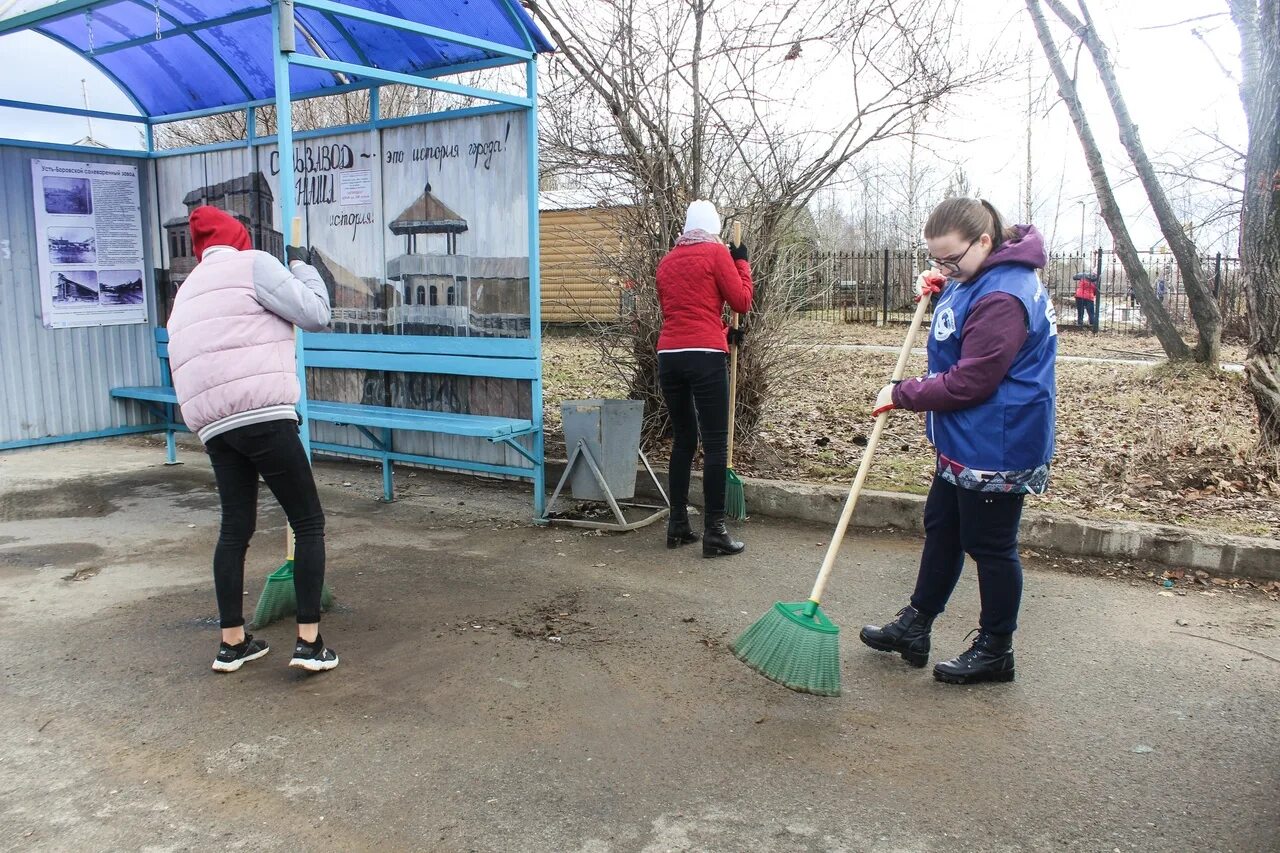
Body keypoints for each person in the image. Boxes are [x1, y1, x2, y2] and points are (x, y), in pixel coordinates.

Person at [861, 198, 1057, 685]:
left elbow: (972, 381)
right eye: (936, 260)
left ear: (985, 242)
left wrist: (902, 393)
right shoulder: (979, 275)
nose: (944, 267)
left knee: (989, 546)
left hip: (999, 440)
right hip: (966, 436)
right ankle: (916, 624)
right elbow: (963, 304)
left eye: (951, 259)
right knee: (943, 527)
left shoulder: (1004, 297)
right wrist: (945, 281)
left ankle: (995, 650)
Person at [167, 205, 339, 674]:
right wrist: (302, 265)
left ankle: (232, 643)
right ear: (239, 238)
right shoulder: (256, 264)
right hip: (262, 413)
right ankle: (308, 642)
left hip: (213, 425)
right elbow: (317, 314)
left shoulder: (186, 291)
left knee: (235, 528)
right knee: (307, 522)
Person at [655, 200, 753, 557]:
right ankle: (715, 532)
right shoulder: (716, 254)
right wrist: (740, 261)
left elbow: (684, 311)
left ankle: (678, 523)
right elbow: (741, 300)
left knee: (683, 440)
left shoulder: (666, 261)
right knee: (714, 444)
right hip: (706, 357)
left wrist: (723, 331)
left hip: (669, 356)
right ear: (712, 229)